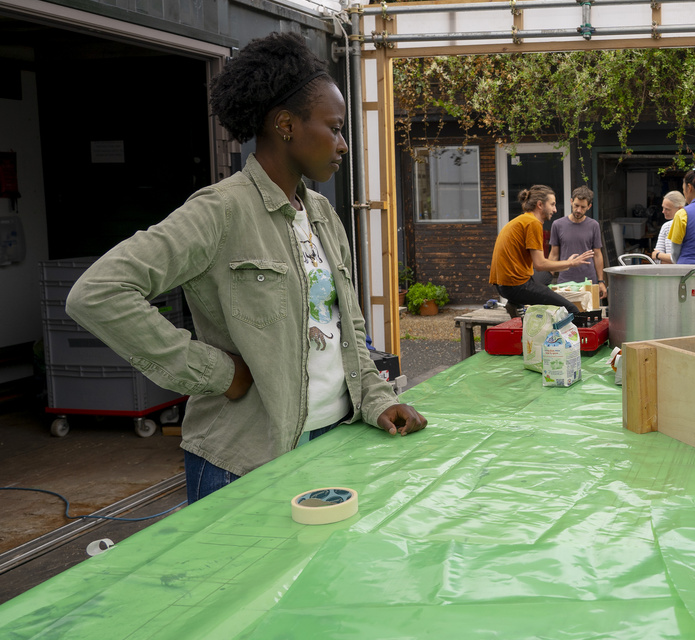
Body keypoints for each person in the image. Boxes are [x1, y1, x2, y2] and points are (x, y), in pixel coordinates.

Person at [65, 32, 427, 504]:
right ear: (286, 125)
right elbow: (98, 293)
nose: (342, 145)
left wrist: (378, 399)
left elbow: (347, 326)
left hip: (334, 440)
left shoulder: (322, 214)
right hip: (244, 462)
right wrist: (216, 373)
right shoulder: (220, 210)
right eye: (335, 128)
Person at [490, 185, 594, 317]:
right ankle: (518, 304)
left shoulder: (522, 220)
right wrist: (571, 263)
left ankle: (515, 304)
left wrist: (563, 267)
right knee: (571, 309)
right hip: (515, 286)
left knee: (545, 279)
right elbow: (540, 264)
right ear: (540, 205)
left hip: (503, 285)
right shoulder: (533, 223)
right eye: (552, 204)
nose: (555, 209)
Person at [548, 185, 607, 300]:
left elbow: (597, 254)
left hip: (589, 281)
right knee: (566, 311)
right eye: (576, 205)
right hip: (565, 281)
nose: (579, 210)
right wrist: (547, 278)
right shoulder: (558, 225)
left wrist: (601, 281)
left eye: (583, 207)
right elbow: (554, 254)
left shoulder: (593, 225)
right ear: (571, 201)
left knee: (590, 310)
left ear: (589, 206)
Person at [650, 190, 686, 263]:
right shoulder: (666, 227)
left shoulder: (689, 226)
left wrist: (659, 255)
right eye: (663, 208)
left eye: (667, 209)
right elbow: (655, 258)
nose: (663, 211)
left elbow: (685, 259)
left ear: (680, 209)